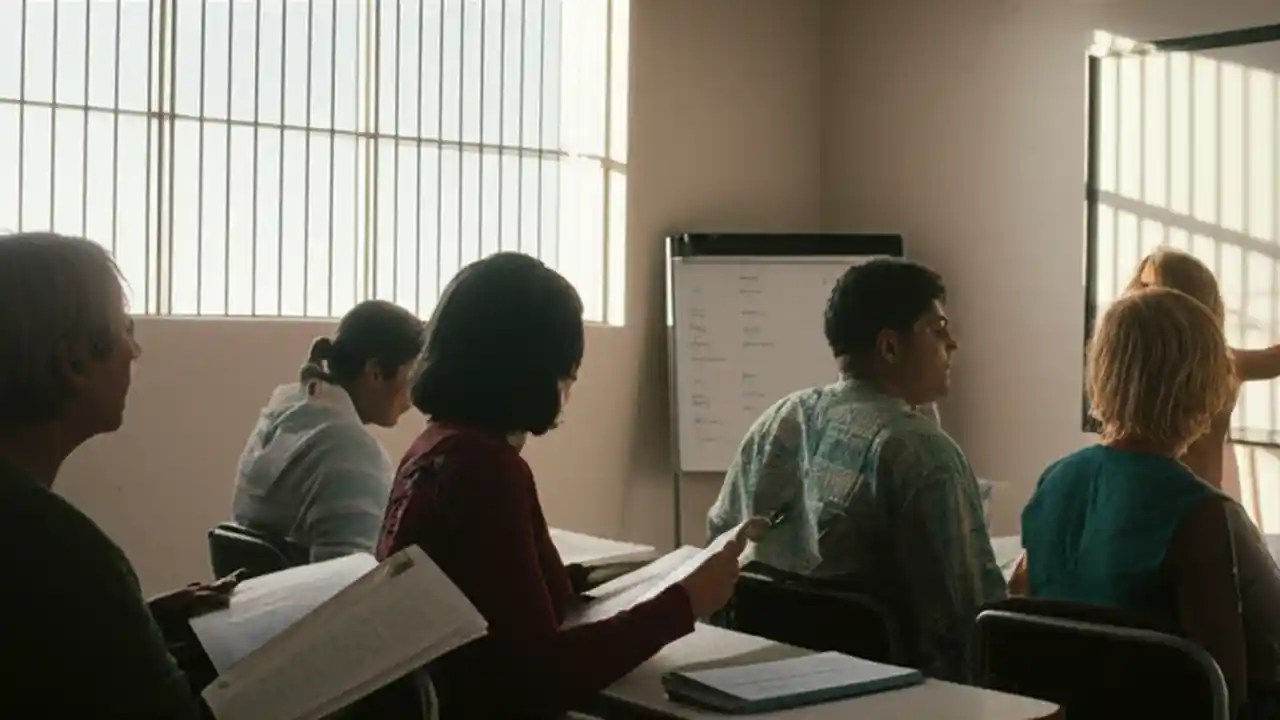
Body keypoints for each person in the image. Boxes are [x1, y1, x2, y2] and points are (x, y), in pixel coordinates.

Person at [377, 252, 759, 717]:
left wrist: (589, 582)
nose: (568, 389)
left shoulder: (433, 447)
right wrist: (686, 602)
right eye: (568, 371)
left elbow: (506, 600)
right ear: (533, 369)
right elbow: (541, 675)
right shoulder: (484, 469)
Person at [707, 257, 1006, 682]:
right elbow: (970, 621)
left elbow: (719, 552)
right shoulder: (923, 454)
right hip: (898, 700)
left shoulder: (777, 421)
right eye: (937, 330)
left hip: (773, 686)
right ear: (890, 346)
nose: (953, 343)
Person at [0, 232, 237, 717]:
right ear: (74, 361)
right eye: (125, 329)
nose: (135, 351)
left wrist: (136, 621)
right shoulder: (63, 554)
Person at [1013, 286, 1280, 717]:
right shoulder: (1200, 512)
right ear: (1204, 385)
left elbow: (1024, 607)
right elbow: (1223, 690)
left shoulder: (1055, 480)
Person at [232, 300, 425, 562]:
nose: (412, 398)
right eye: (411, 377)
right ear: (376, 373)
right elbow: (350, 584)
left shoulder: (285, 407)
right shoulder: (351, 449)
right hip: (313, 600)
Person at [1126, 247, 1280, 499]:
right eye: (1141, 286)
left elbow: (1274, 360)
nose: (1140, 297)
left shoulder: (1226, 363)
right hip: (1156, 501)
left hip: (1192, 504)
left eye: (1150, 287)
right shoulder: (1130, 363)